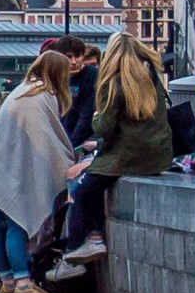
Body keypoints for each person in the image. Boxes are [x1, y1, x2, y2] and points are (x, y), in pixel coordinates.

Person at [52, 30, 171, 275]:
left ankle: (72, 253)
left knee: (82, 189)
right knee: (95, 181)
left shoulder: (112, 82)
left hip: (126, 156)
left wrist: (97, 119)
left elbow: (103, 127)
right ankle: (95, 235)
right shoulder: (151, 77)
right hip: (157, 156)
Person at [0, 49, 76, 293]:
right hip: (11, 167)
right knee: (17, 221)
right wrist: (67, 163)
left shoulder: (23, 90)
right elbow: (46, 139)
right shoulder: (42, 96)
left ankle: (7, 281)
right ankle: (23, 284)